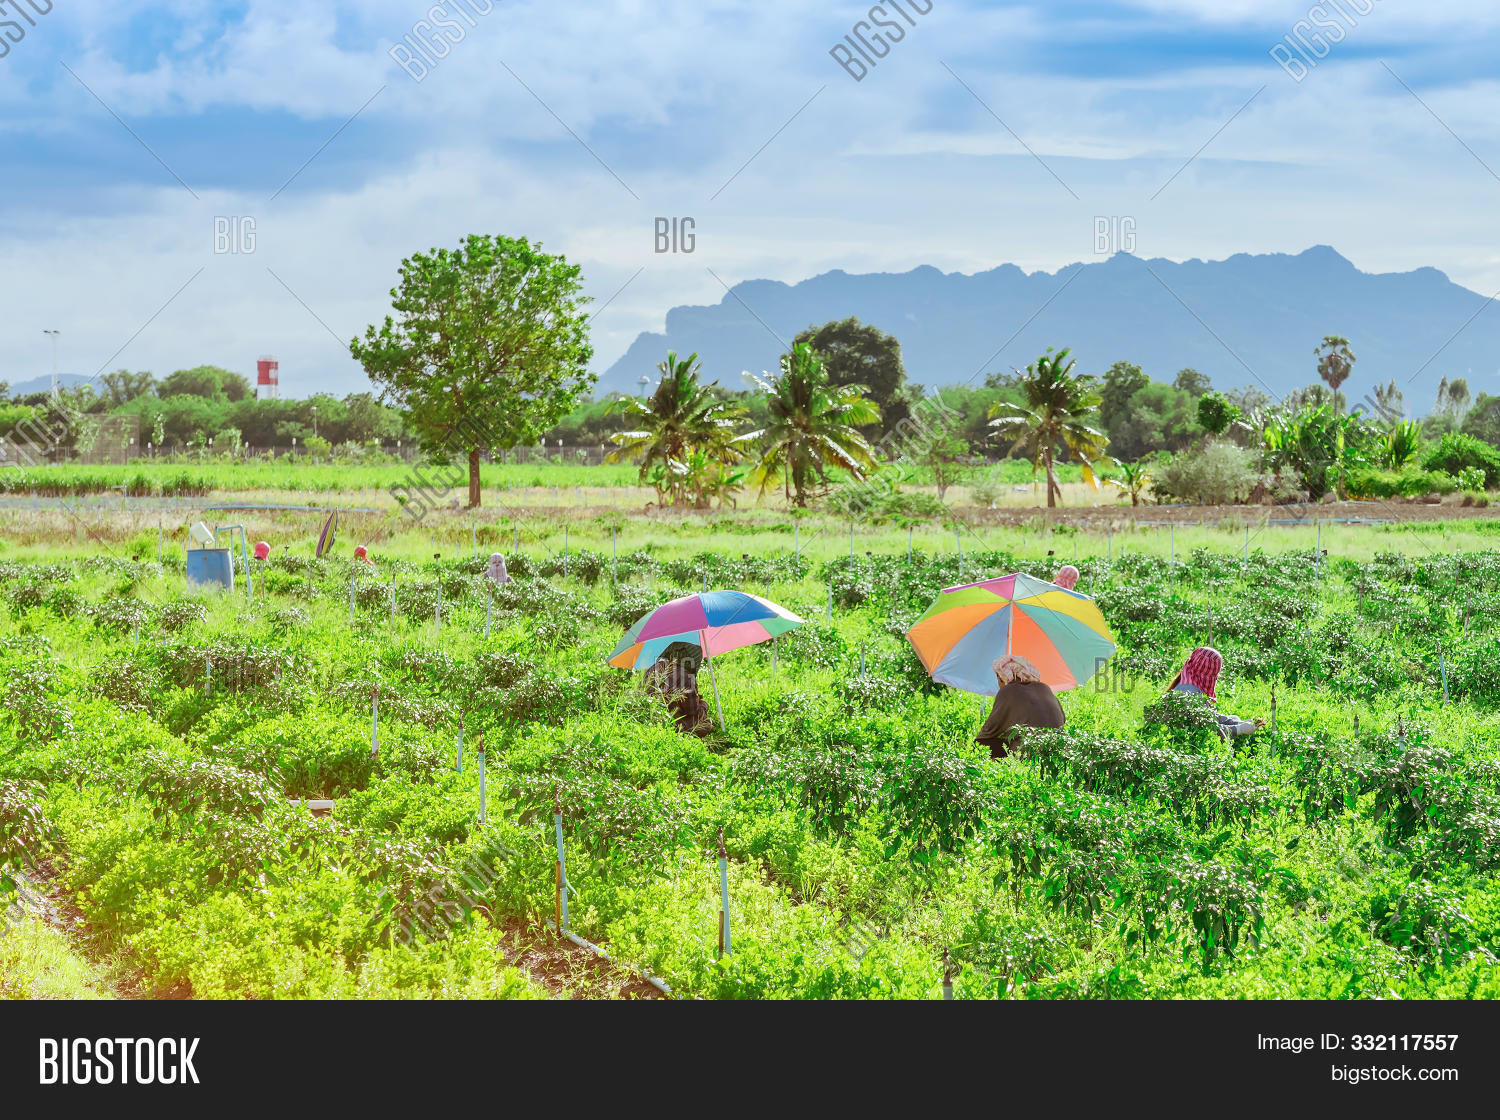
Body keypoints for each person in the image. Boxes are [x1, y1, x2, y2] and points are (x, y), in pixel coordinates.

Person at [975, 654, 1066, 759]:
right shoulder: (1045, 688)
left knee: (979, 744)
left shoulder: (1007, 691)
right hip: (1058, 753)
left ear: (1001, 677)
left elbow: (987, 733)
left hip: (1028, 754)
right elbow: (1062, 720)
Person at [1166, 646, 1264, 738]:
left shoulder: (1186, 683)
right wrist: (1238, 729)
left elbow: (1211, 717)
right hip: (1184, 741)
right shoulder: (1192, 694)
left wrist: (1237, 723)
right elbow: (1208, 728)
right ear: (1208, 673)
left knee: (1234, 718)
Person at [643, 642, 712, 736]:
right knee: (705, 724)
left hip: (648, 715)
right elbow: (691, 710)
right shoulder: (687, 677)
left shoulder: (655, 667)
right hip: (672, 721)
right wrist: (703, 705)